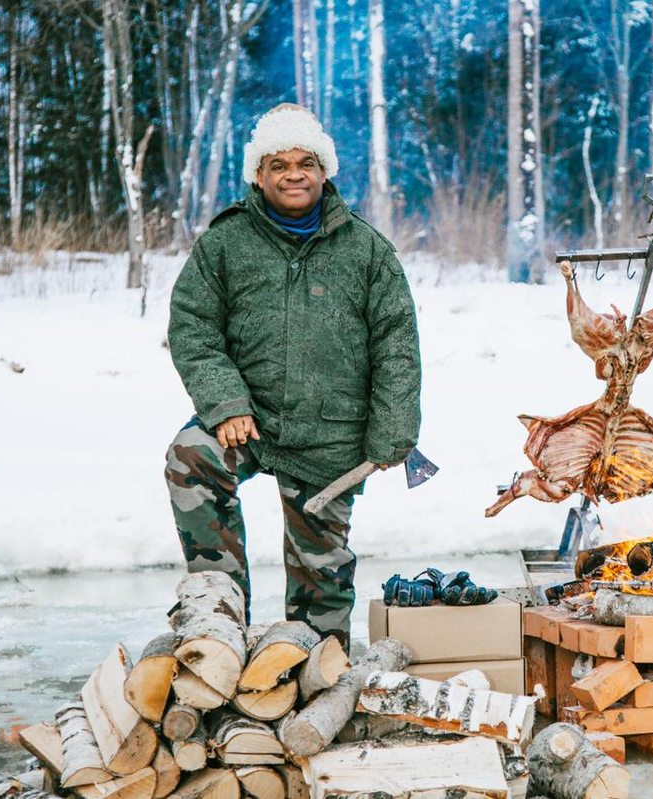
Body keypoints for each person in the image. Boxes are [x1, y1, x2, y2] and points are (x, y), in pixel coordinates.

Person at [164, 103, 421, 652]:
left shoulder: (367, 250)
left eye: (305, 162)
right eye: (278, 164)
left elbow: (397, 343)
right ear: (259, 175)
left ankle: (313, 673)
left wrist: (393, 429)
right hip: (247, 418)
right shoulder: (224, 244)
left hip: (331, 432)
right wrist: (225, 402)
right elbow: (193, 326)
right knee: (192, 459)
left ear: (324, 171)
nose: (293, 174)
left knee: (322, 577)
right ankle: (219, 622)